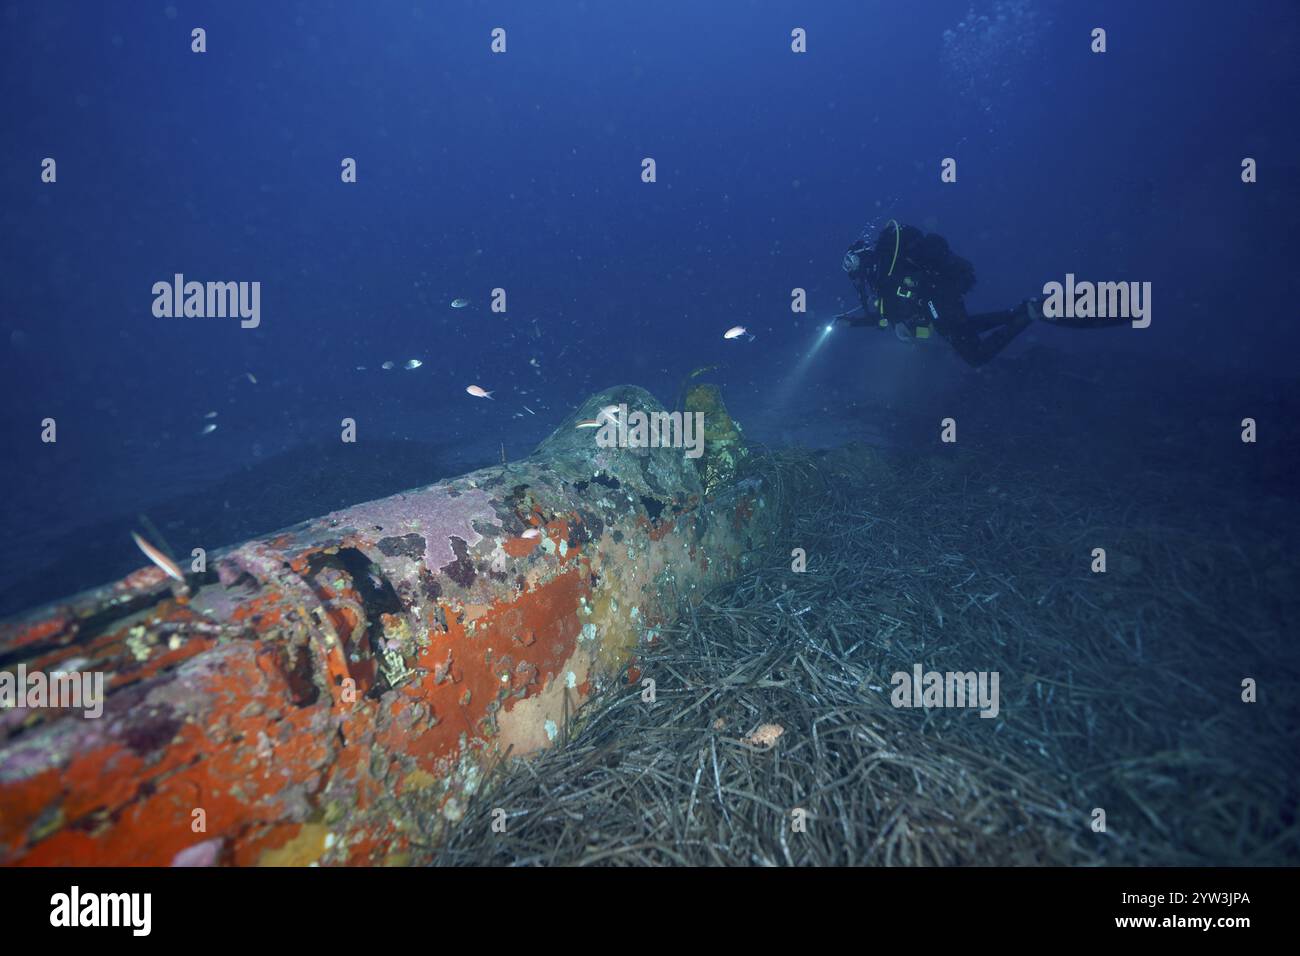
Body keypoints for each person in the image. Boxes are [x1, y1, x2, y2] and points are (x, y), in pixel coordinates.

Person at [834, 220, 1120, 367]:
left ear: (859, 260)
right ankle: (1021, 311)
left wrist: (904, 321)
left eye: (851, 268)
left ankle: (1029, 314)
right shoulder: (883, 273)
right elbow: (888, 316)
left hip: (937, 298)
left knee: (975, 355)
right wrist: (854, 323)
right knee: (964, 327)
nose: (853, 277)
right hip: (939, 298)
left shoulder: (883, 269)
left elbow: (898, 306)